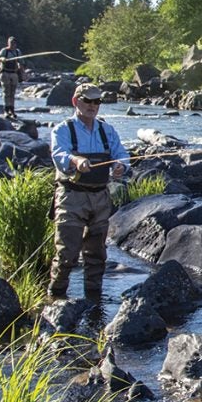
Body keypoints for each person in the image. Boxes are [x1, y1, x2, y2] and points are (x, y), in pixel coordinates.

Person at [48, 83, 129, 300]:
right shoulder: (63, 130)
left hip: (100, 198)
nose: (93, 105)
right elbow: (59, 155)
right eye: (88, 100)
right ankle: (55, 297)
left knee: (97, 255)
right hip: (71, 197)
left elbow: (121, 153)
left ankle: (94, 301)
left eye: (97, 101)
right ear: (76, 101)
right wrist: (76, 160)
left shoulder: (107, 130)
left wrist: (121, 166)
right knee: (67, 254)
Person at [0, 35, 24, 118]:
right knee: (6, 92)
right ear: (8, 43)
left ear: (16, 44)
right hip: (5, 73)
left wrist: (22, 74)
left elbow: (21, 63)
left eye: (13, 43)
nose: (12, 45)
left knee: (12, 93)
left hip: (14, 74)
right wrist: (2, 59)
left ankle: (12, 110)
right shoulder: (4, 51)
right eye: (10, 43)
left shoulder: (18, 52)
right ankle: (6, 111)